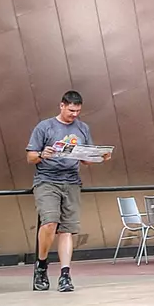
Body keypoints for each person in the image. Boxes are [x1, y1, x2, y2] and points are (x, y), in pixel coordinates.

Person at [26, 90, 106, 293]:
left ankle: (65, 274)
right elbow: (31, 157)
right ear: (61, 105)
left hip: (71, 181)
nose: (74, 114)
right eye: (71, 110)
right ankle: (41, 265)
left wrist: (100, 156)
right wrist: (43, 154)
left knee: (67, 228)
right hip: (47, 180)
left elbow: (86, 158)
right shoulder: (45, 127)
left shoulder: (82, 128)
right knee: (50, 222)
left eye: (78, 111)